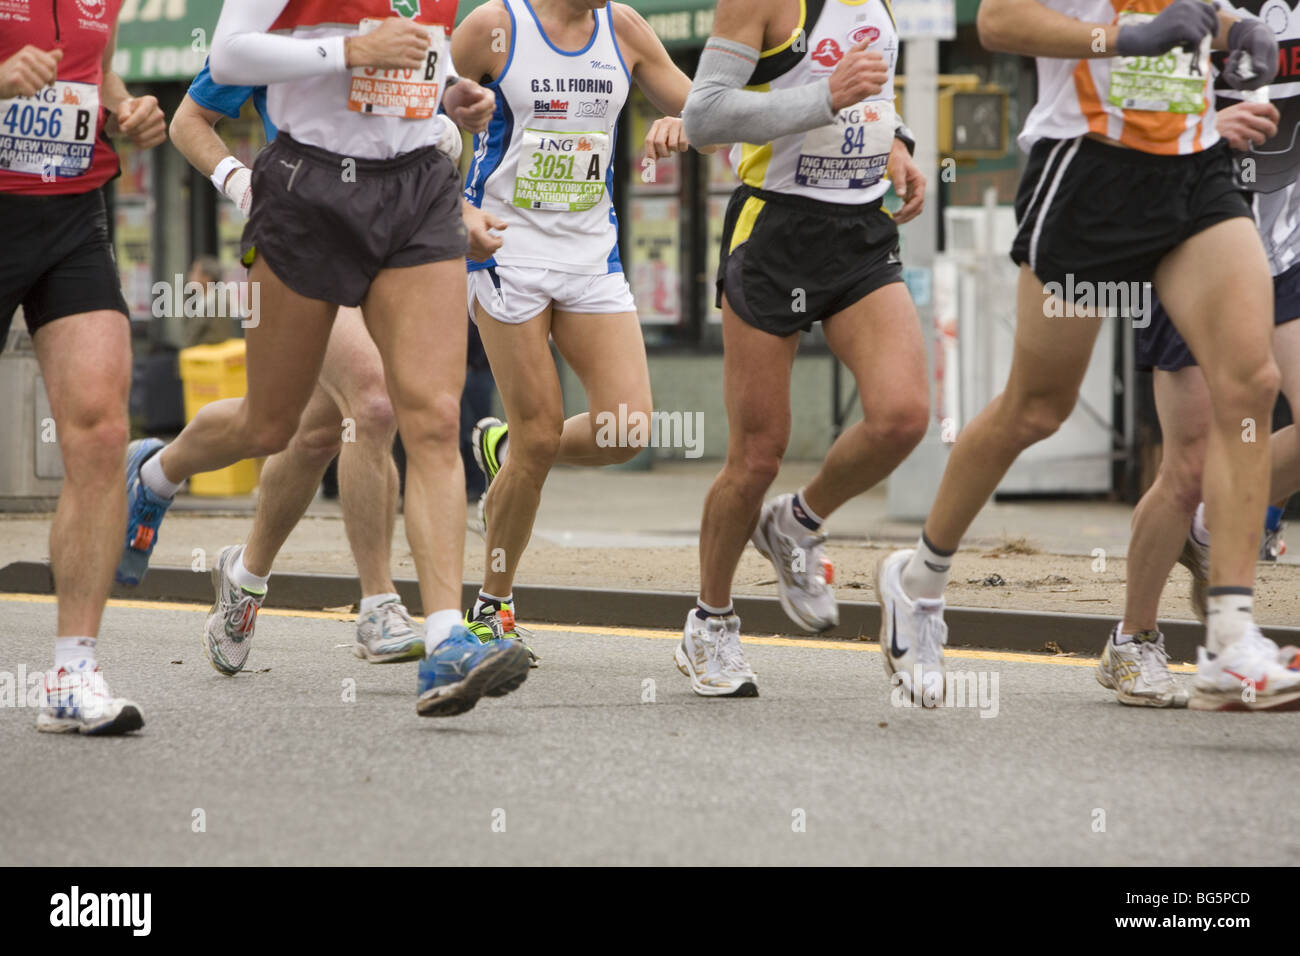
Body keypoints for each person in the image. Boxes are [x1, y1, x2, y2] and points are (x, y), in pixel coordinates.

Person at [877, 0, 1300, 711]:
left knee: (1250, 383)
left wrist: (1239, 31)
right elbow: (998, 24)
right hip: (1089, 170)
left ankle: (1230, 635)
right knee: (1036, 408)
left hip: (1194, 166)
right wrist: (1124, 37)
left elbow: (1199, 15)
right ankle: (919, 577)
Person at [116, 0, 531, 718]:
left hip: (418, 191)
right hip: (310, 195)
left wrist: (448, 98)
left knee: (423, 416)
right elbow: (228, 60)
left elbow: (413, 81)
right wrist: (349, 53)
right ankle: (156, 471)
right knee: (274, 425)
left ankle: (441, 643)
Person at [168, 55, 493, 674]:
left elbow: (434, 132)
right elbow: (189, 119)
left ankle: (245, 573)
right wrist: (242, 182)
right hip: (306, 237)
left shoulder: (418, 20)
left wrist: (458, 111)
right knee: (370, 405)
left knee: (319, 432)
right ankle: (378, 605)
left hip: (397, 239)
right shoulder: (291, 23)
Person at [678, 0, 928, 696]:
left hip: (859, 233)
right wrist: (824, 96)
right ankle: (711, 621)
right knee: (757, 454)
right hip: (775, 233)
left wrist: (897, 141)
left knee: (904, 416)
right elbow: (703, 118)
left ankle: (797, 522)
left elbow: (871, 91)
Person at [452, 0, 701, 666]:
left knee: (627, 429)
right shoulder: (492, 28)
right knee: (540, 432)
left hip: (592, 257)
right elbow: (416, 120)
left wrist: (684, 122)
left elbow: (701, 103)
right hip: (506, 250)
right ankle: (491, 609)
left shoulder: (623, 29)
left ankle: (509, 451)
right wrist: (459, 207)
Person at [1099, 4, 1300, 705]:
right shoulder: (1185, 9)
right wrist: (1208, 129)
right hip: (1193, 240)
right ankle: (1133, 639)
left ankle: (1223, 523)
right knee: (1184, 468)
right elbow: (1128, 109)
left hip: (1284, 248)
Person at [0, 4, 167, 733]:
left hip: (73, 211)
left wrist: (126, 105)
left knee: (100, 432)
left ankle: (71, 673)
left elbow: (94, 68)